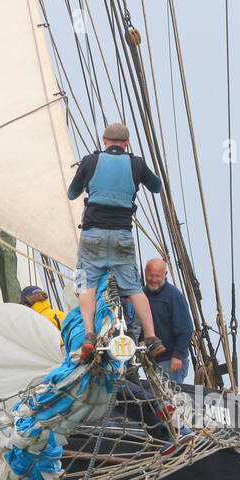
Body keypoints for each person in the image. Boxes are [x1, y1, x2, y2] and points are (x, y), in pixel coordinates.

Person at [67, 122, 167, 362]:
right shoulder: (136, 164)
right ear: (126, 144)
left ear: (104, 141)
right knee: (133, 287)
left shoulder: (90, 161)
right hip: (122, 234)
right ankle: (152, 338)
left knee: (86, 285)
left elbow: (72, 193)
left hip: (92, 235)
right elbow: (157, 187)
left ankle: (89, 335)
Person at [143, 258, 194, 385]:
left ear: (165, 275)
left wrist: (178, 355)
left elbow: (186, 329)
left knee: (168, 399)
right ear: (145, 273)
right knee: (154, 397)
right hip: (151, 360)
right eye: (150, 275)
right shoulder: (141, 295)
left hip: (171, 359)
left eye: (157, 276)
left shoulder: (173, 296)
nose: (153, 280)